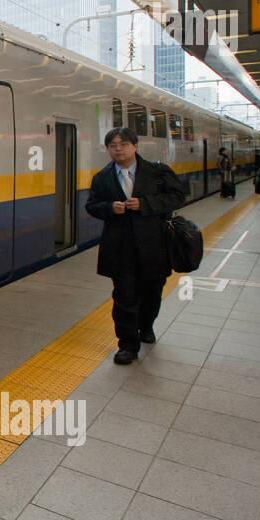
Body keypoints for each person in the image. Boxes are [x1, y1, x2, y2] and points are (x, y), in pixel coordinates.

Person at [86, 127, 188, 364]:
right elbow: (92, 206)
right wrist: (109, 208)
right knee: (124, 297)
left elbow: (178, 197)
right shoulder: (102, 177)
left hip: (154, 246)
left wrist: (145, 204)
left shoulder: (157, 172)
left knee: (152, 293)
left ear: (135, 146)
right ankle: (127, 345)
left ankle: (146, 326)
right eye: (113, 145)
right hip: (120, 249)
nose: (118, 149)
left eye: (123, 144)